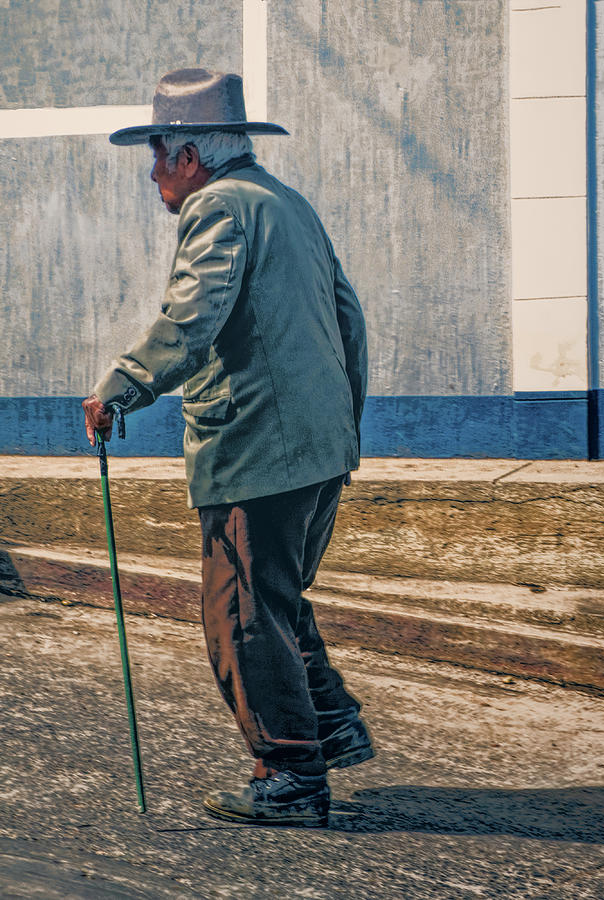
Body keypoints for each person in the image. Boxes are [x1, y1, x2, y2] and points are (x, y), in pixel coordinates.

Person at [82, 68, 371, 828]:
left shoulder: (216, 208)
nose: (152, 175)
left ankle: (289, 775)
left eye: (156, 156)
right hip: (317, 445)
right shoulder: (285, 203)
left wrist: (121, 385)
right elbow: (349, 318)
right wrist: (343, 428)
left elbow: (192, 317)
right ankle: (329, 720)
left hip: (258, 447)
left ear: (189, 156)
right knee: (273, 596)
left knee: (239, 612)